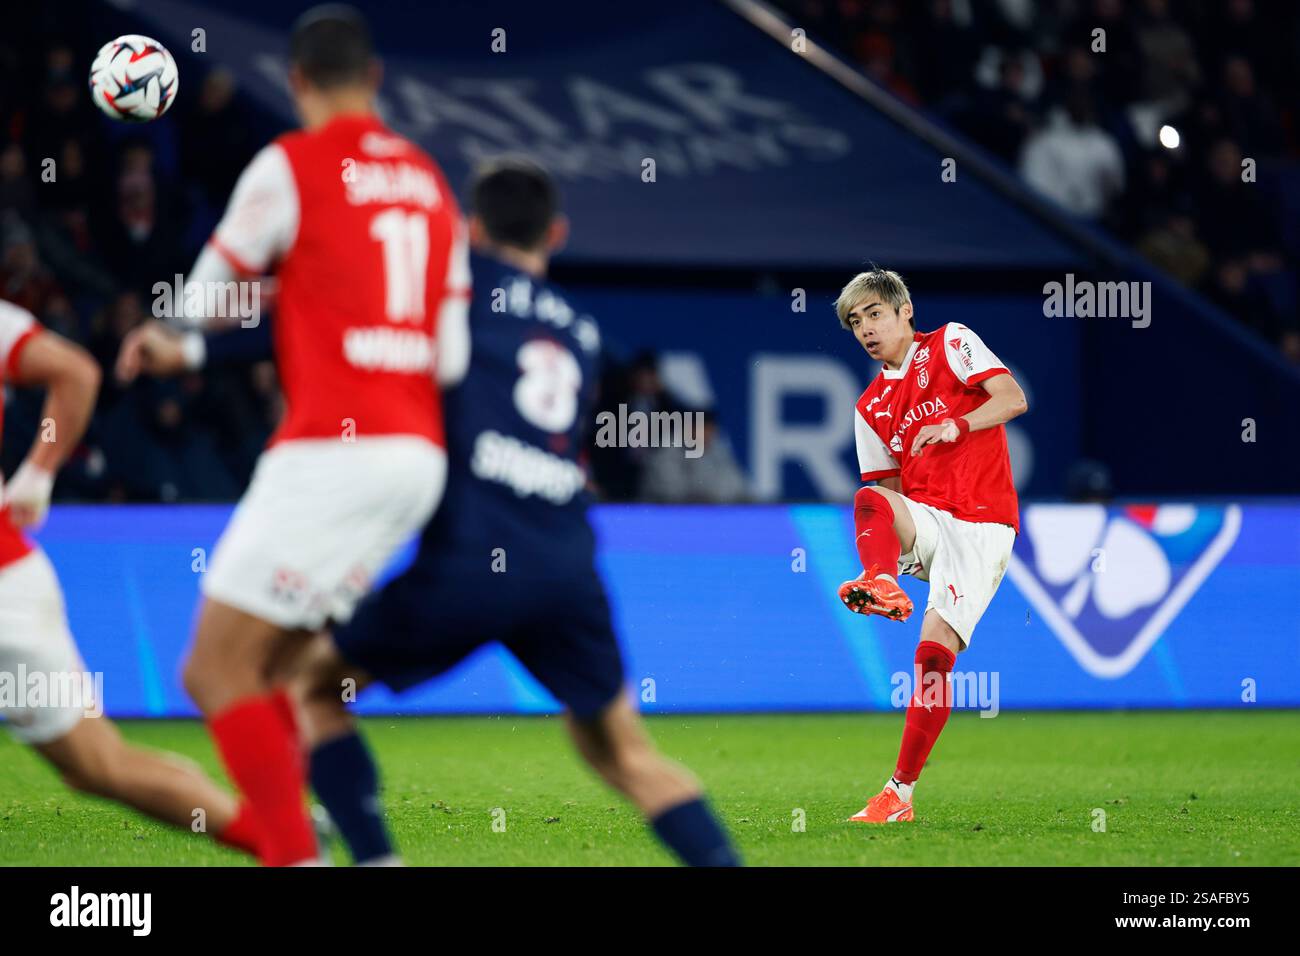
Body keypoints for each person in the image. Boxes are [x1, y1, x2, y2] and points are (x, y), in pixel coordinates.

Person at [120, 157, 740, 867]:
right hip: (568, 561)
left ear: (470, 228)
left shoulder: (452, 290)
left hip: (473, 557)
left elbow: (312, 304)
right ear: (557, 233)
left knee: (307, 688)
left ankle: (377, 858)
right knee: (625, 751)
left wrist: (191, 337)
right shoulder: (582, 331)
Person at [145, 4, 470, 866]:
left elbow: (216, 289)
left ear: (295, 82)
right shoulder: (434, 185)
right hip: (416, 457)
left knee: (212, 672)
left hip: (333, 449)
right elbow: (451, 358)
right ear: (376, 80)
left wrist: (171, 338)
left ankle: (295, 857)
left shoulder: (290, 164)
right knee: (284, 670)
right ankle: (365, 854)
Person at [0, 298, 259, 858]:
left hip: (7, 593)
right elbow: (74, 370)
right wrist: (38, 472)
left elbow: (76, 372)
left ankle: (277, 837)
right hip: (12, 584)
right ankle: (279, 835)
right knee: (99, 767)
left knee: (97, 767)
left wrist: (39, 470)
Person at [835, 269, 1027, 824]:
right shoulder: (869, 405)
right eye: (855, 322)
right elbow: (887, 494)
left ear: (904, 311)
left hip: (983, 525)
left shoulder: (951, 343)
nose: (866, 329)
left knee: (932, 657)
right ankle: (882, 582)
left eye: (874, 314)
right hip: (929, 522)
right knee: (869, 498)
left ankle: (900, 793)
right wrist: (885, 559)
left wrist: (957, 426)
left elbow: (1012, 398)